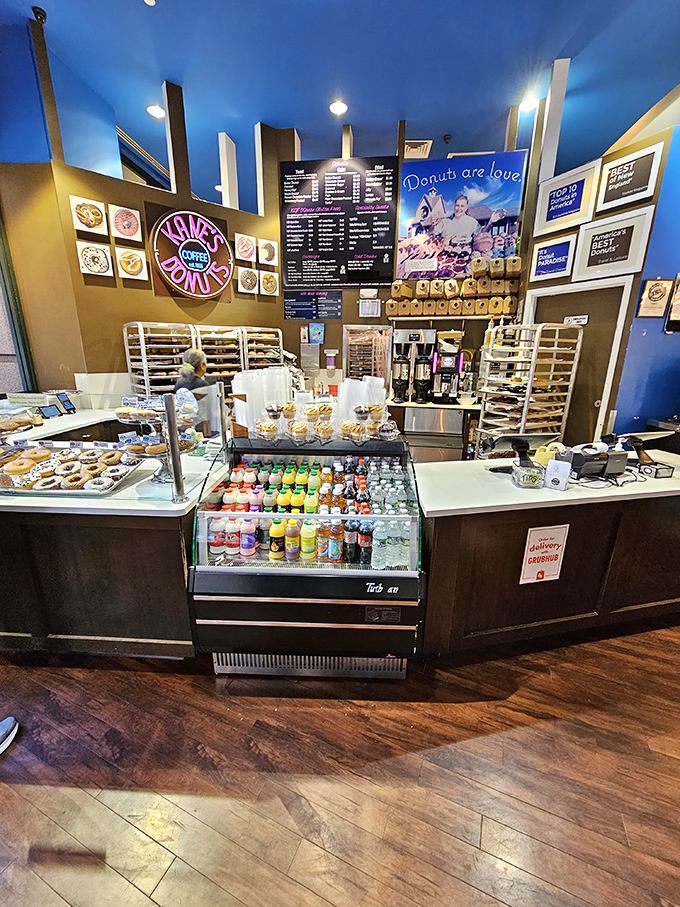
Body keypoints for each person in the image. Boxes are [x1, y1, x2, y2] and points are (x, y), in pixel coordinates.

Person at [435, 194, 506, 245]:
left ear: (466, 208)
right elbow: (432, 233)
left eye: (462, 206)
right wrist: (432, 225)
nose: (459, 208)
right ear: (454, 206)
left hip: (464, 255)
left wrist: (490, 223)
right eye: (457, 205)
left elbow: (481, 233)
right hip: (444, 257)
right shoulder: (445, 221)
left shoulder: (472, 222)